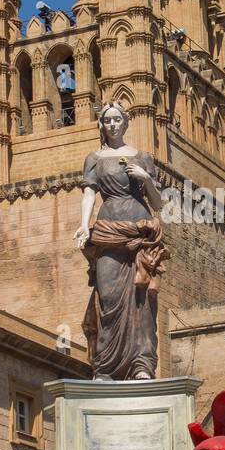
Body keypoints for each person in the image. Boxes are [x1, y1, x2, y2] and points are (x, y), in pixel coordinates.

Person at [74, 102, 168, 381]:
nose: (113, 124)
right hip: (107, 229)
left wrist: (145, 178)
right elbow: (89, 193)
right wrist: (83, 224)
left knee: (142, 299)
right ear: (102, 125)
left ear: (126, 124)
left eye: (117, 120)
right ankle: (105, 367)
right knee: (109, 297)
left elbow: (158, 203)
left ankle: (142, 364)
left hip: (140, 231)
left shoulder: (142, 157)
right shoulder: (94, 159)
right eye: (107, 120)